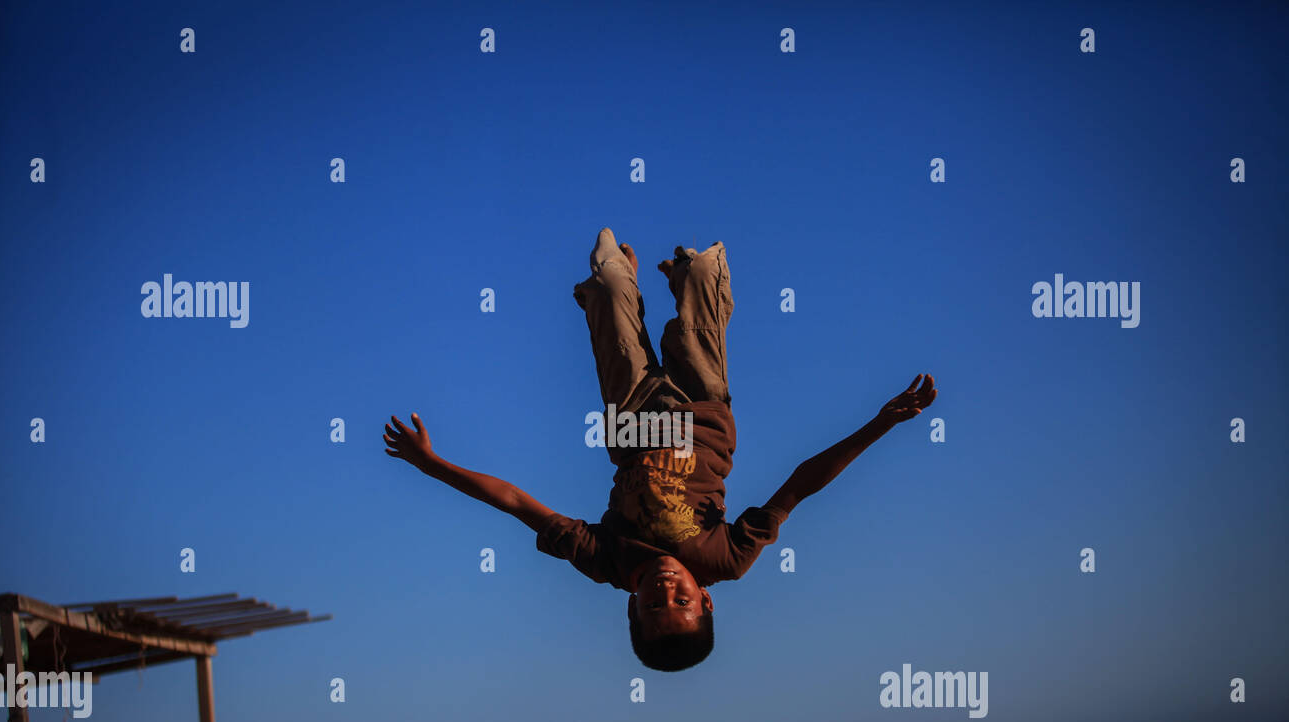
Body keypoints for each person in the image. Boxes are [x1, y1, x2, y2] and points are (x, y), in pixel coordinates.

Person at [384, 228, 936, 672]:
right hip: (704, 407)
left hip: (632, 420)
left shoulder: (608, 561)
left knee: (607, 286)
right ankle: (687, 288)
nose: (667, 590)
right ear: (707, 600)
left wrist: (430, 465)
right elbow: (800, 485)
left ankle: (630, 288)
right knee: (702, 270)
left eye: (653, 606)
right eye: (683, 603)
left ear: (632, 605)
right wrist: (879, 424)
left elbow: (514, 503)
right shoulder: (727, 560)